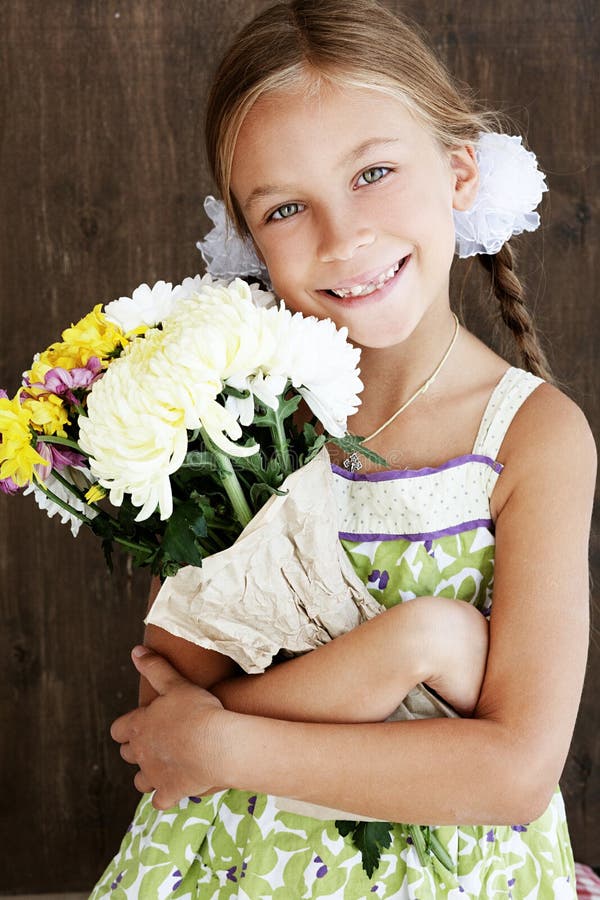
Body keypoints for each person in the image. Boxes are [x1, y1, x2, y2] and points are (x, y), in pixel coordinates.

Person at [90, 1, 596, 897]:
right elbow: (164, 703)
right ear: (247, 240)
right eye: (286, 208)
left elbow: (514, 772)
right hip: (234, 864)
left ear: (459, 169)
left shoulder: (533, 436)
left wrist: (225, 742)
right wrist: (417, 648)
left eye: (373, 172)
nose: (342, 236)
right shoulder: (238, 413)